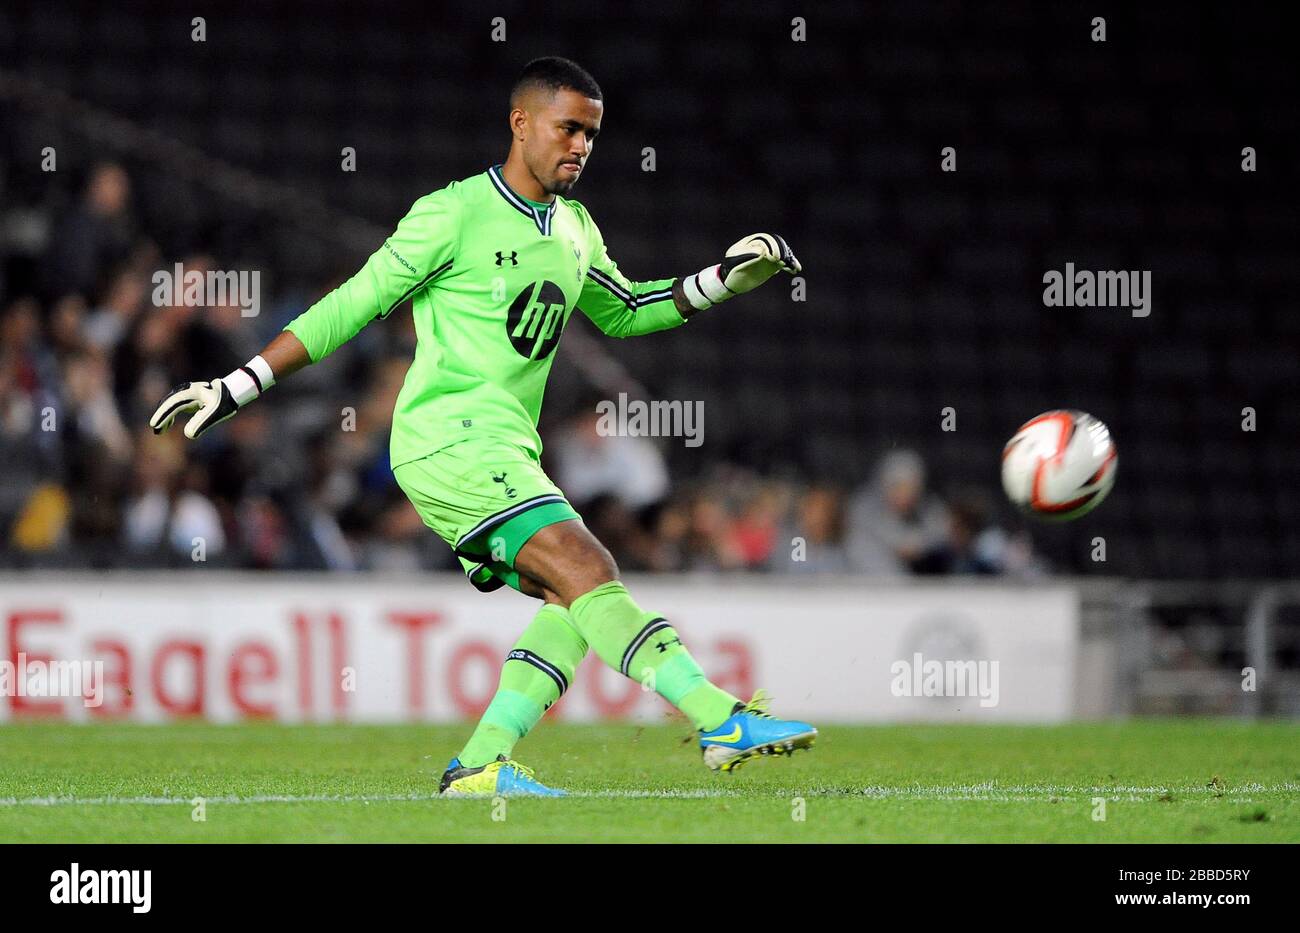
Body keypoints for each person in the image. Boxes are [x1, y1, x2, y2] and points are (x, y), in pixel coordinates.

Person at [149, 57, 813, 796]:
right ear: (521, 123)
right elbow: (355, 302)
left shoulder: (576, 229)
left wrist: (726, 280)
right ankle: (720, 719)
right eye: (568, 128)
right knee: (589, 567)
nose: (582, 147)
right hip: (446, 438)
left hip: (504, 446)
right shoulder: (454, 212)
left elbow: (625, 310)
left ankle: (478, 764)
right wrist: (240, 384)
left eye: (592, 134)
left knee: (575, 596)